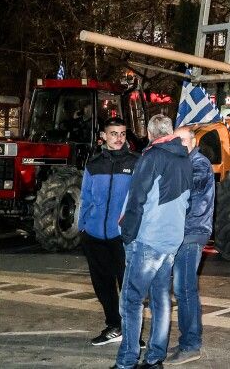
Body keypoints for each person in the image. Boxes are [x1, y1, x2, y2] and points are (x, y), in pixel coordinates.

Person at [113, 115, 192, 369]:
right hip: (171, 240)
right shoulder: (185, 160)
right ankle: (155, 358)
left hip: (148, 239)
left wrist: (127, 234)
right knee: (161, 299)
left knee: (131, 299)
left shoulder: (152, 157)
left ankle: (127, 361)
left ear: (149, 133)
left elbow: (136, 199)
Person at [78, 117, 138, 346]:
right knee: (103, 285)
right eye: (113, 133)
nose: (118, 138)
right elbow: (85, 197)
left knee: (128, 286)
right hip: (93, 235)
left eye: (122, 133)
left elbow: (139, 200)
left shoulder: (135, 163)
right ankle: (114, 325)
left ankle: (132, 332)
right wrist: (82, 227)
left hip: (121, 237)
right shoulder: (94, 164)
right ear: (104, 136)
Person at [165, 127, 215, 366]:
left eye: (182, 141)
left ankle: (191, 345)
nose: (178, 145)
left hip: (191, 232)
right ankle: (188, 339)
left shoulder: (199, 163)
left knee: (184, 289)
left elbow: (189, 190)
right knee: (183, 288)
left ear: (193, 141)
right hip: (183, 232)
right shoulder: (187, 161)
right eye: (175, 140)